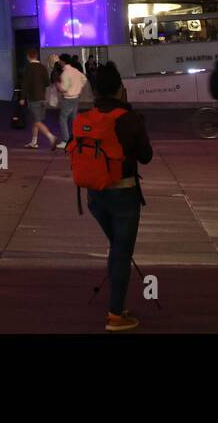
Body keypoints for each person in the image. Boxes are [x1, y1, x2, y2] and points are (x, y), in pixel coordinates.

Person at [79, 62, 153, 332]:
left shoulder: (87, 117)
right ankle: (115, 315)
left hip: (94, 196)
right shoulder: (129, 118)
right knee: (122, 252)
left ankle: (117, 303)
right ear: (120, 88)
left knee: (117, 249)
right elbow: (146, 157)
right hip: (124, 194)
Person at [21, 47, 57, 149]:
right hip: (42, 98)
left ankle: (51, 137)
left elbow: (25, 84)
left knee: (37, 121)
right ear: (36, 56)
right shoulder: (43, 67)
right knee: (36, 121)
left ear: (28, 57)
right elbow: (47, 83)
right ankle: (34, 142)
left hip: (34, 98)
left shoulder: (28, 68)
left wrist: (22, 97)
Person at [56, 53, 88, 150]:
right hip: (75, 98)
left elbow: (64, 88)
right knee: (74, 119)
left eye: (60, 60)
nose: (59, 62)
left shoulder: (65, 73)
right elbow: (84, 79)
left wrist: (58, 86)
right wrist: (78, 88)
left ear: (63, 61)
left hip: (68, 98)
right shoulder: (75, 71)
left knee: (63, 119)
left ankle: (66, 141)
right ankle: (77, 139)